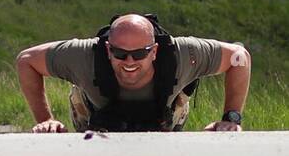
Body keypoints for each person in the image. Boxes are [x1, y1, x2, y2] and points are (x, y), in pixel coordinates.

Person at [15, 13, 250, 132]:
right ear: (107, 49)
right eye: (119, 53)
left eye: (139, 54)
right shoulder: (85, 55)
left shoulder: (182, 54)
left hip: (164, 113)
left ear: (155, 50)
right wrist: (46, 121)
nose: (129, 61)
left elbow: (239, 57)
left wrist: (230, 119)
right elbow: (27, 60)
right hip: (96, 116)